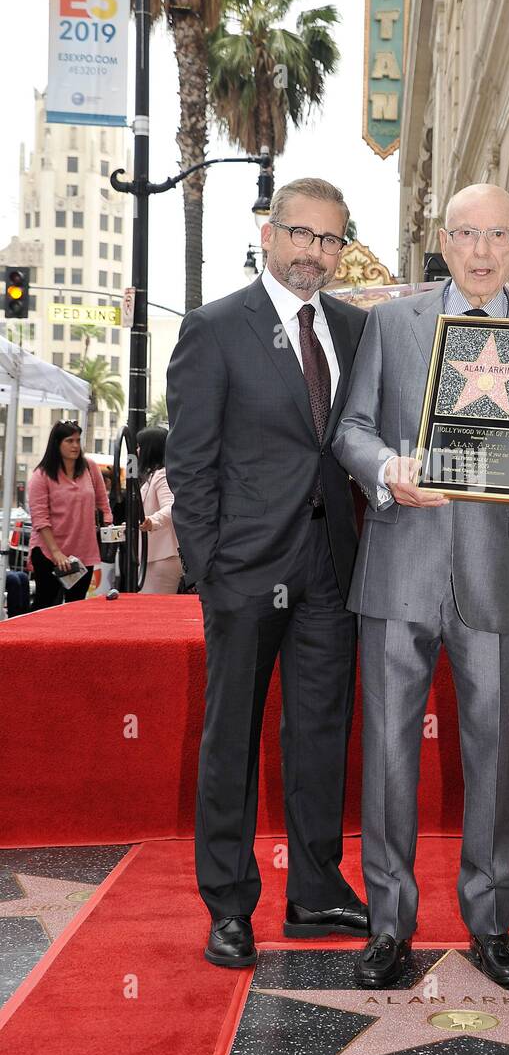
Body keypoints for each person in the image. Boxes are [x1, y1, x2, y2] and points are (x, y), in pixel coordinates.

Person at [332, 183, 509, 990]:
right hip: (400, 565)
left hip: (496, 574)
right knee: (391, 755)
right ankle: (388, 927)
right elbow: (351, 431)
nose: (480, 249)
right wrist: (385, 472)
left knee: (496, 753)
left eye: (497, 234)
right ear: (444, 238)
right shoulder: (392, 324)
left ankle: (492, 921)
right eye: (466, 233)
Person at [166, 177, 369, 969]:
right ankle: (228, 904)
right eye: (302, 235)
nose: (315, 253)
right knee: (231, 738)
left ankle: (317, 889)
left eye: (330, 240)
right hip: (246, 570)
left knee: (321, 733)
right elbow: (191, 462)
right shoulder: (215, 329)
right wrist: (210, 565)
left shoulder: (355, 328)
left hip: (334, 569)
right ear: (270, 233)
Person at [27, 421, 113, 610]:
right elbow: (40, 519)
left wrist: (108, 525)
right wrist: (56, 552)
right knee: (45, 607)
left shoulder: (89, 467)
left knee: (76, 608)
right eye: (69, 441)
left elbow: (102, 501)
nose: (75, 445)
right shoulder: (41, 476)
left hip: (83, 550)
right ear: (57, 444)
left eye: (78, 440)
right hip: (49, 552)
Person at [137, 427, 181, 594]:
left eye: (140, 446)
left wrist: (152, 521)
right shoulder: (153, 476)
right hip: (155, 556)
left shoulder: (161, 475)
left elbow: (171, 506)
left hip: (162, 556)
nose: (137, 450)